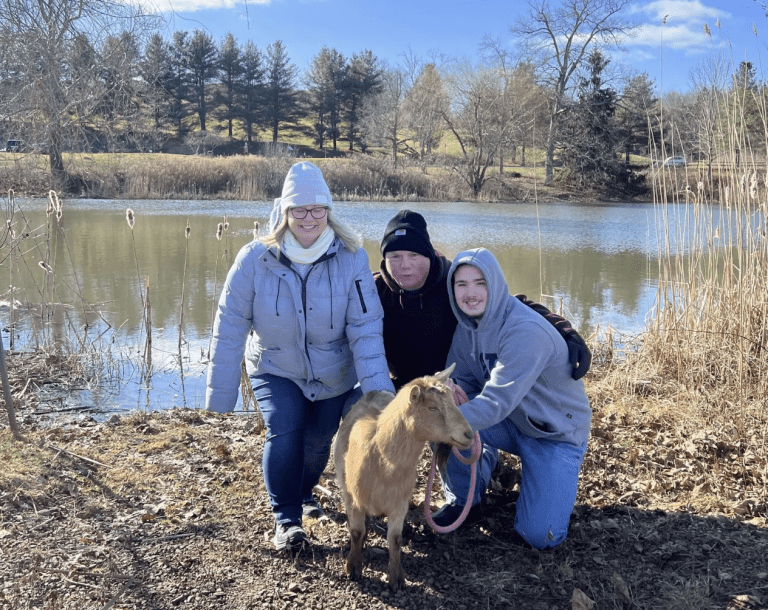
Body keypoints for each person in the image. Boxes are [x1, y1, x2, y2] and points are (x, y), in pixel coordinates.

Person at [205, 161, 394, 552]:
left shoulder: (352, 258)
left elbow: (365, 329)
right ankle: (287, 520)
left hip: (333, 371)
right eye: (300, 210)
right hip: (275, 365)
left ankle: (305, 493)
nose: (309, 218)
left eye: (317, 209)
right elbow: (229, 327)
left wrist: (380, 395)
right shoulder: (254, 259)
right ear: (285, 211)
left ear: (329, 211)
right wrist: (220, 398)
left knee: (318, 438)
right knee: (285, 424)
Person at [431, 247, 592, 550]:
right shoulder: (467, 327)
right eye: (461, 284)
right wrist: (444, 399)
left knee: (539, 537)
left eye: (480, 283)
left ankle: (543, 476)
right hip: (510, 422)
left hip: (553, 433)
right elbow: (463, 380)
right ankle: (465, 499)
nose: (470, 293)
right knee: (441, 416)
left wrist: (442, 421)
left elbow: (496, 402)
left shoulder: (525, 330)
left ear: (495, 284)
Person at [374, 210, 591, 393]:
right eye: (395, 256)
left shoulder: (453, 280)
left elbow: (507, 304)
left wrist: (566, 332)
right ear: (384, 258)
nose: (405, 265)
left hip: (455, 385)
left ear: (429, 255)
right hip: (400, 386)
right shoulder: (371, 290)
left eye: (414, 255)